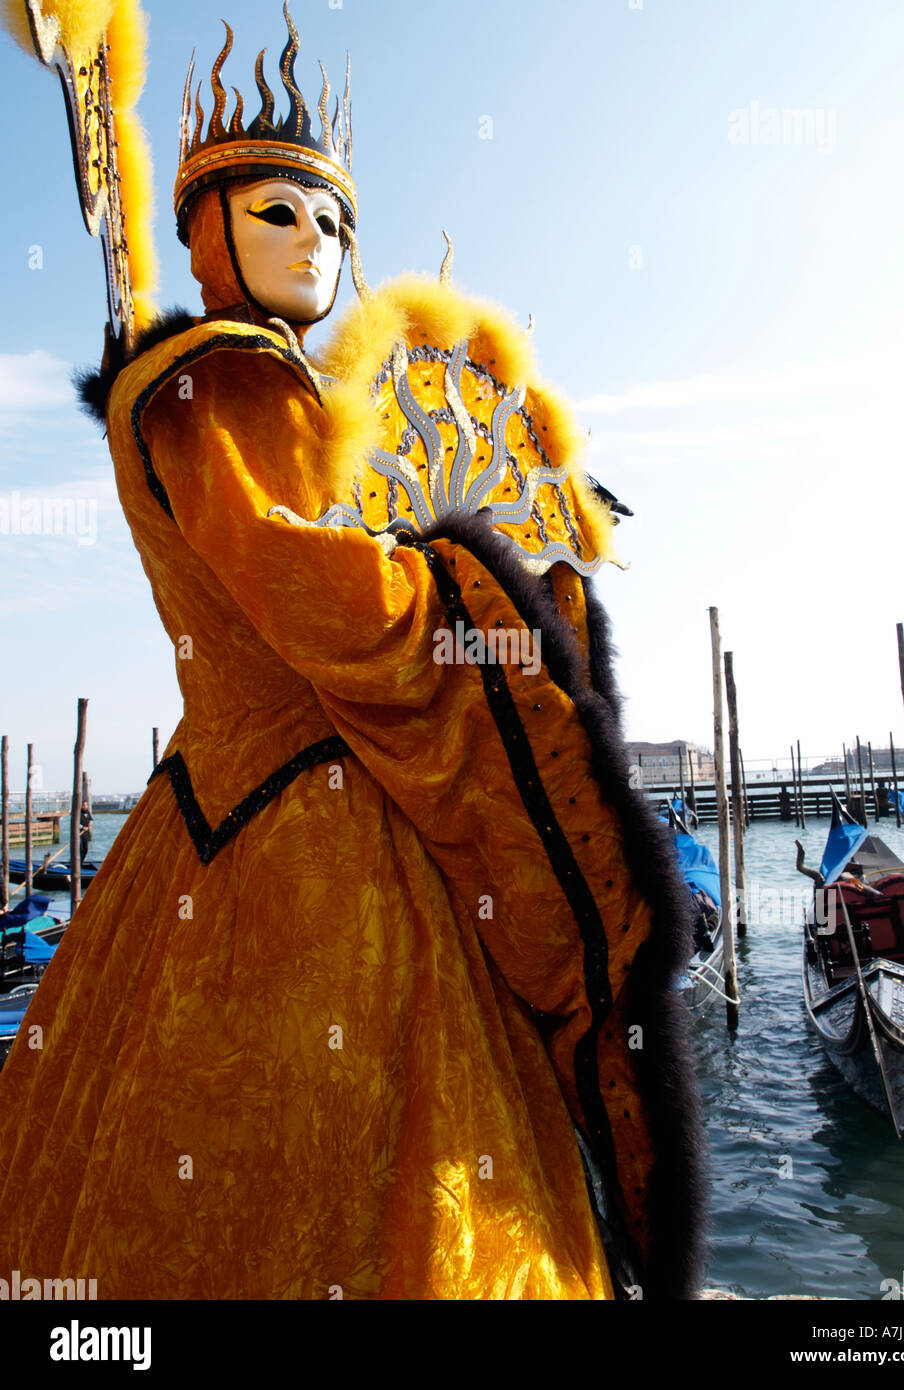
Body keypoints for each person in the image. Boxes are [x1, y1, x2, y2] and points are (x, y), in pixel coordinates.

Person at [0, 5, 702, 1300]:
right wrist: (466, 575)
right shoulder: (228, 383)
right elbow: (337, 608)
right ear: (208, 230)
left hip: (202, 823)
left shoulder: (234, 391)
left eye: (331, 223)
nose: (315, 242)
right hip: (306, 846)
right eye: (277, 213)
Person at [79, 800, 93, 864]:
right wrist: (82, 827)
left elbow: (91, 819)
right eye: (83, 805)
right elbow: (76, 823)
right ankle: (79, 862)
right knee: (81, 849)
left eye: (86, 805)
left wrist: (90, 823)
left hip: (86, 833)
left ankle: (82, 861)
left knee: (86, 849)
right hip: (80, 833)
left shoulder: (88, 812)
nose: (85, 806)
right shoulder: (79, 813)